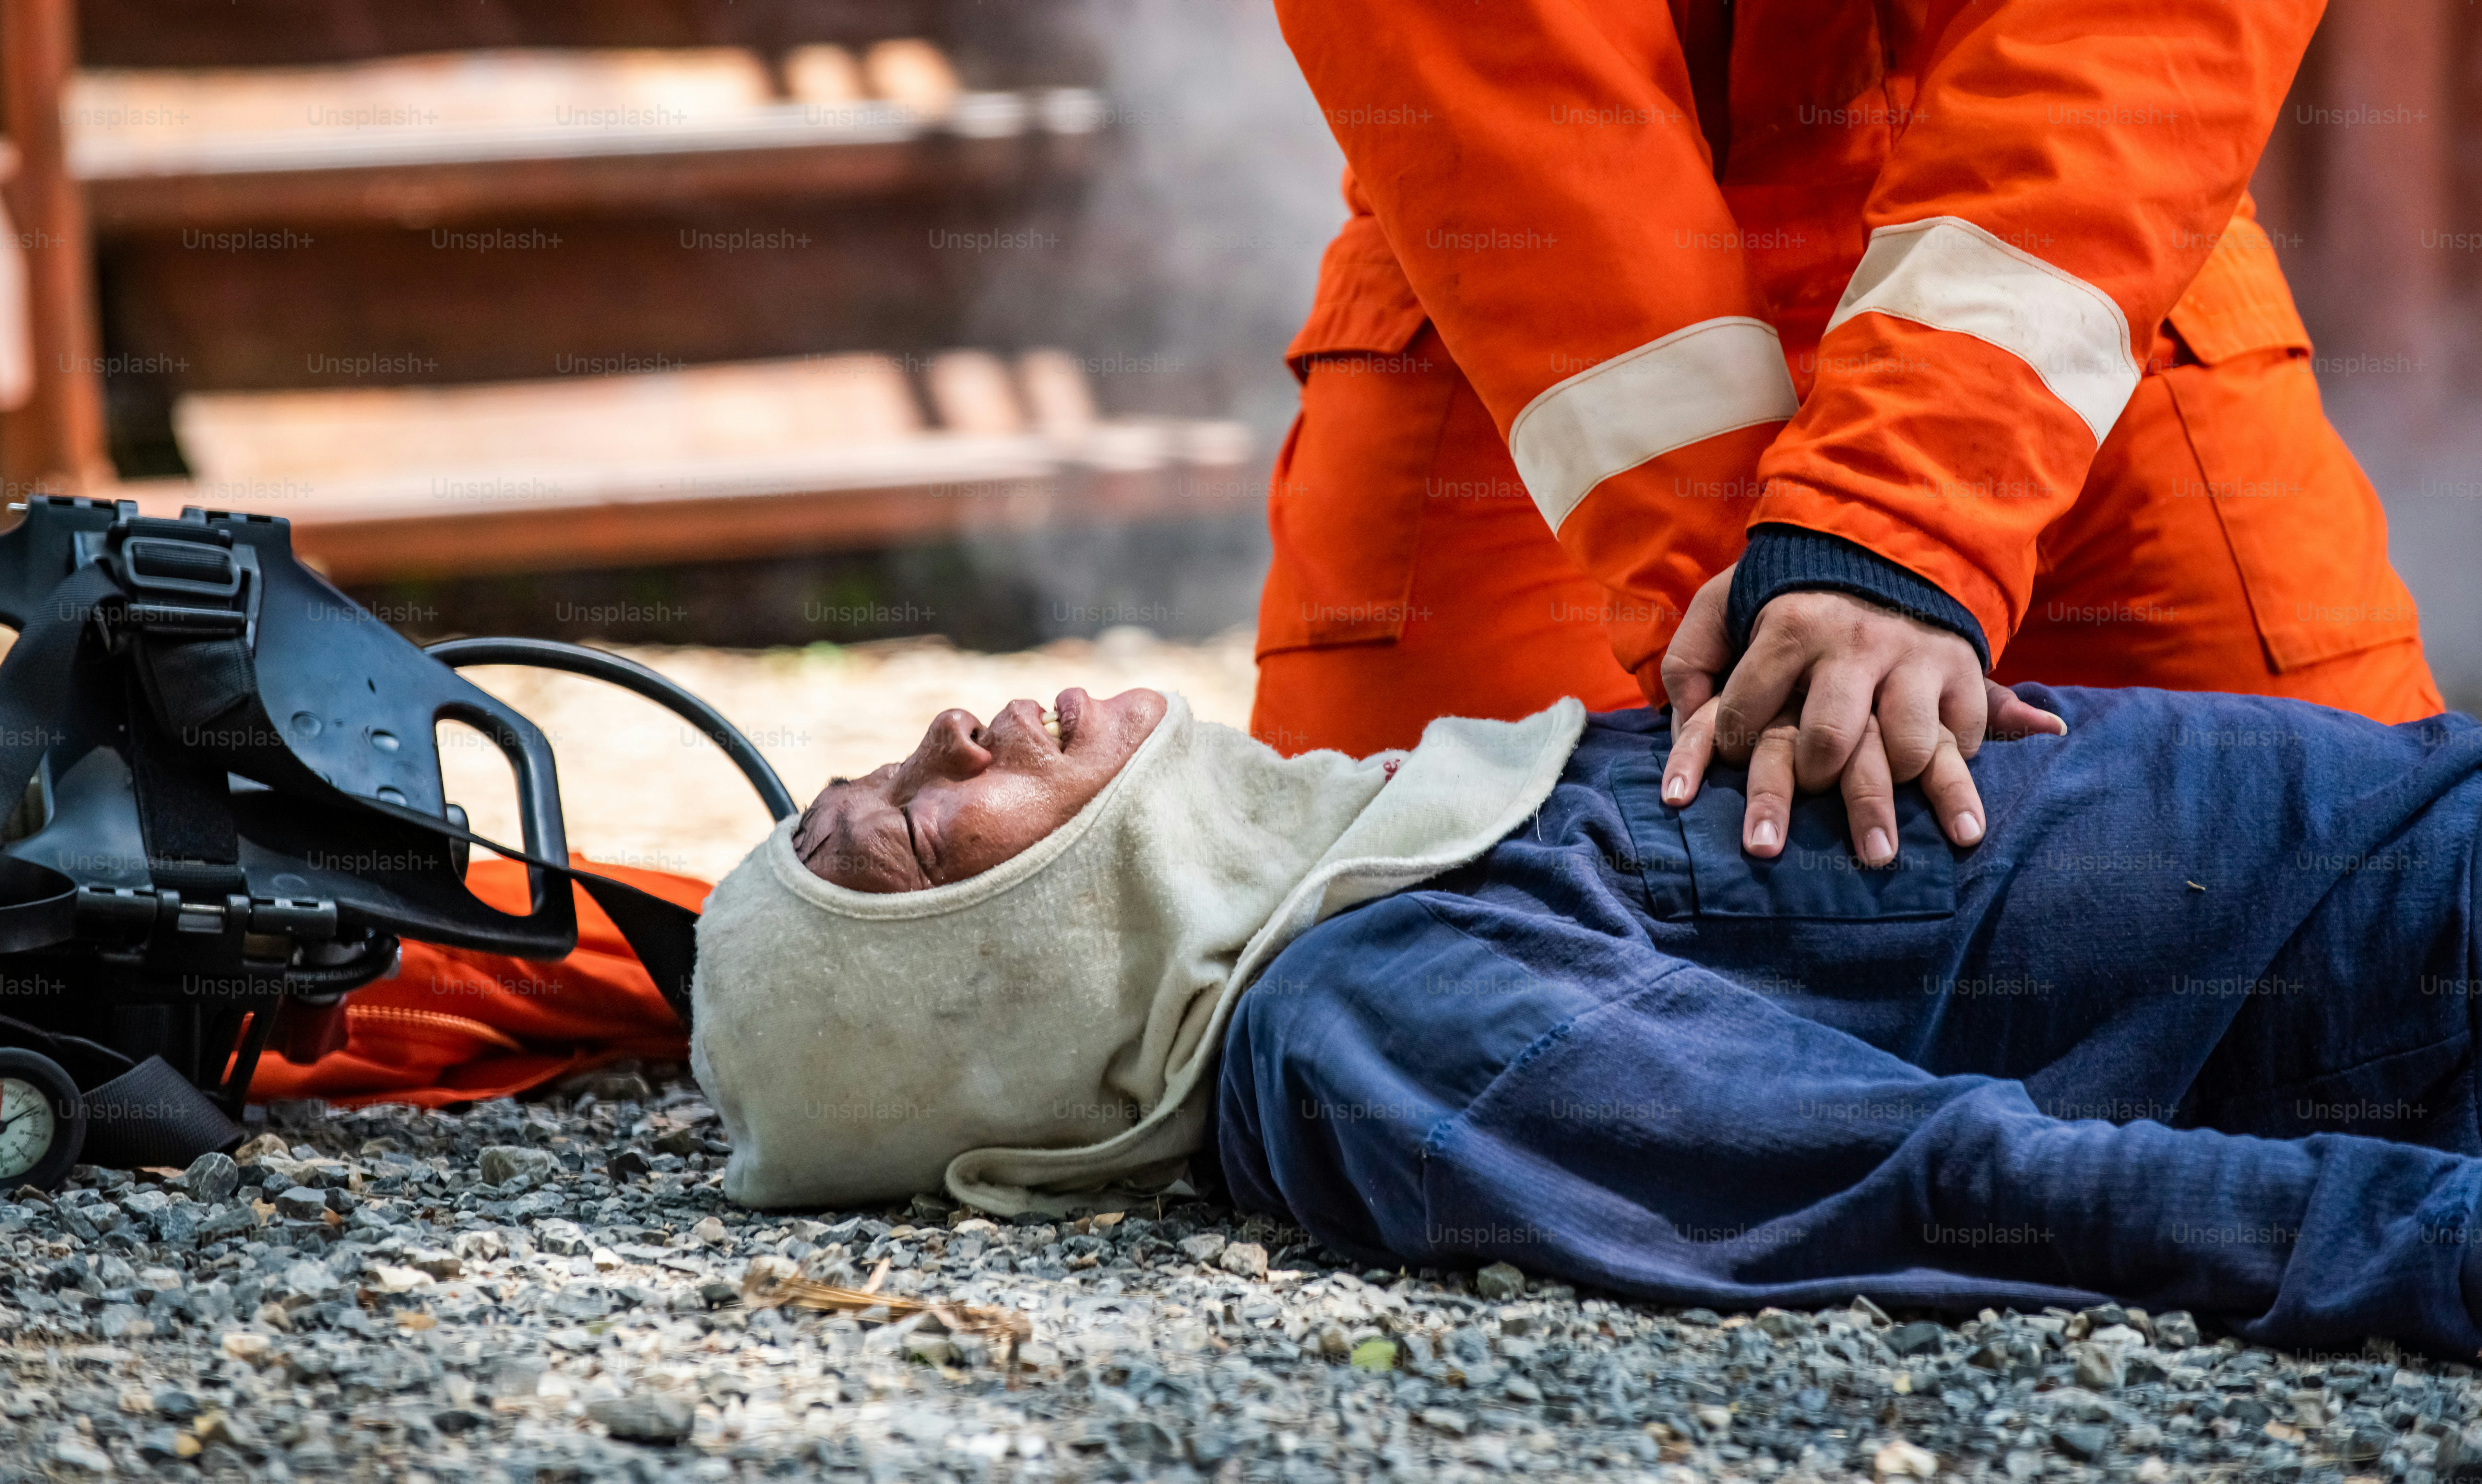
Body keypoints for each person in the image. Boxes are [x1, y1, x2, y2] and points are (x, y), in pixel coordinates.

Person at [1239, 0, 2441, 865]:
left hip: (2053, 260)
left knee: (2365, 880)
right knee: (1369, 921)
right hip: (1529, 311)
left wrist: (1893, 521)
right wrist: (1797, 593)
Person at [691, 682, 2482, 1359]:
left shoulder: (1369, 873)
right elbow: (1947, 1179)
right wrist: (2433, 1247)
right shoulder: (1359, 1016)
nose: (944, 733)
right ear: (990, 1002)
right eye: (909, 827)